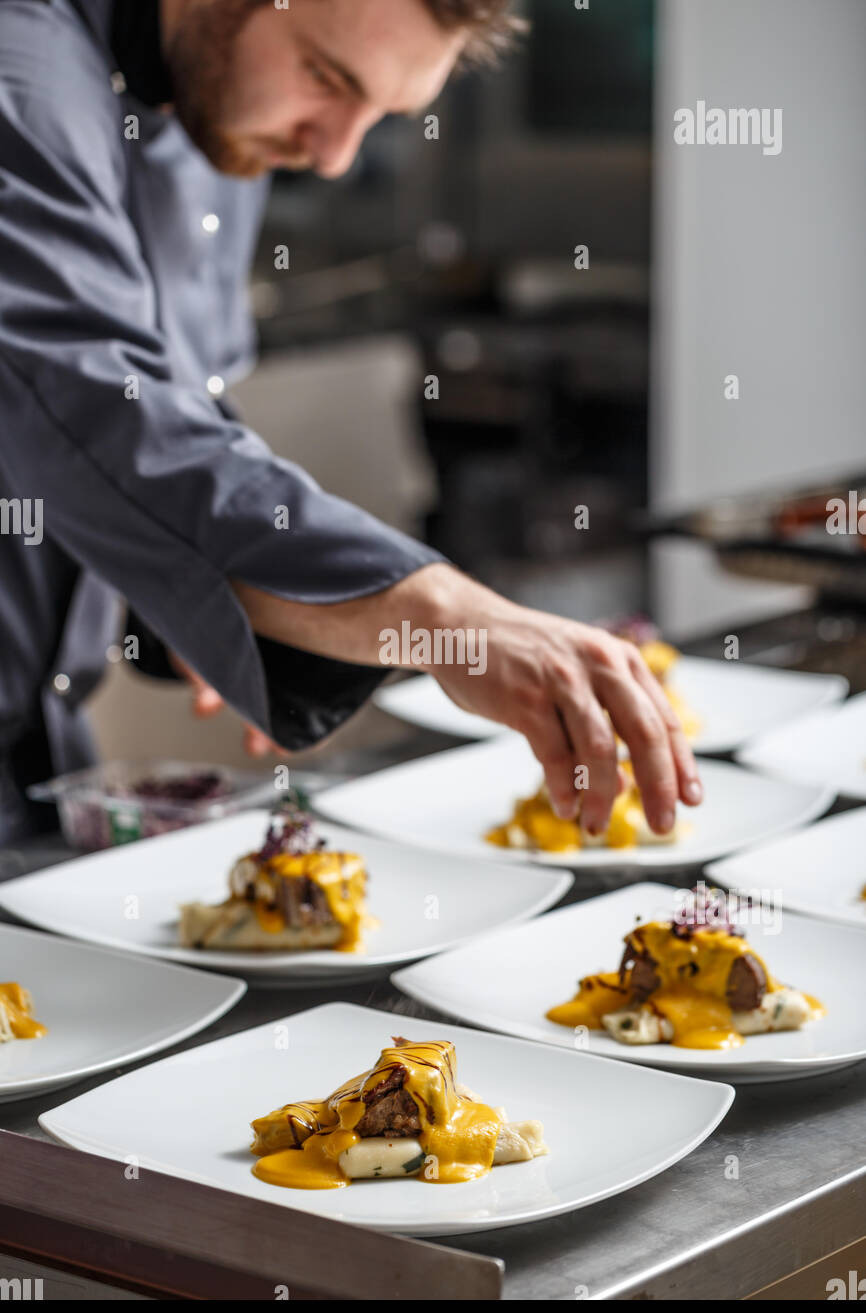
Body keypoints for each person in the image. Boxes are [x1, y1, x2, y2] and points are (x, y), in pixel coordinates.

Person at [0, 0, 702, 846]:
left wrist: (212, 604)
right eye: (327, 77)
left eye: (383, 116)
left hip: (34, 762)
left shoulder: (220, 110)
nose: (333, 156)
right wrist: (449, 618)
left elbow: (168, 415)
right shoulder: (19, 69)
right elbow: (97, 408)